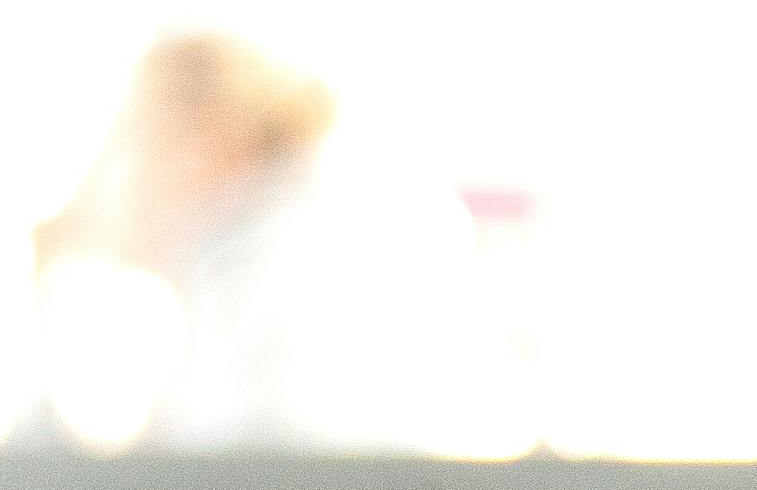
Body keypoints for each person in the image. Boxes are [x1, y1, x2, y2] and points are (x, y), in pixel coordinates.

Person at [32, 32, 526, 454]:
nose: (107, 178)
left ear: (214, 142)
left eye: (129, 140)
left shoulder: (286, 279)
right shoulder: (265, 263)